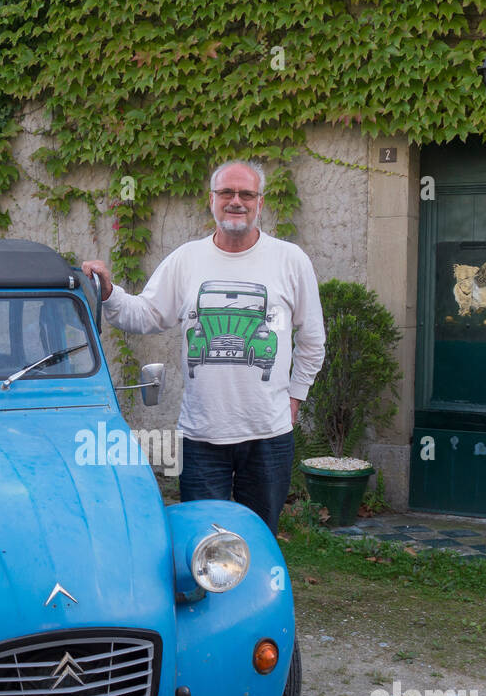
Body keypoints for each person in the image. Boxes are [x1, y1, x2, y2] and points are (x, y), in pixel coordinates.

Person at [81, 159, 325, 535]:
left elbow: (312, 338)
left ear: (260, 203)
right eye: (227, 192)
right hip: (202, 433)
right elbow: (146, 314)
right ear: (211, 200)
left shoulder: (290, 260)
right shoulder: (187, 259)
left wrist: (295, 396)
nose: (236, 201)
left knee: (260, 535)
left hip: (268, 432)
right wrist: (110, 292)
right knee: (201, 536)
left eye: (246, 194)